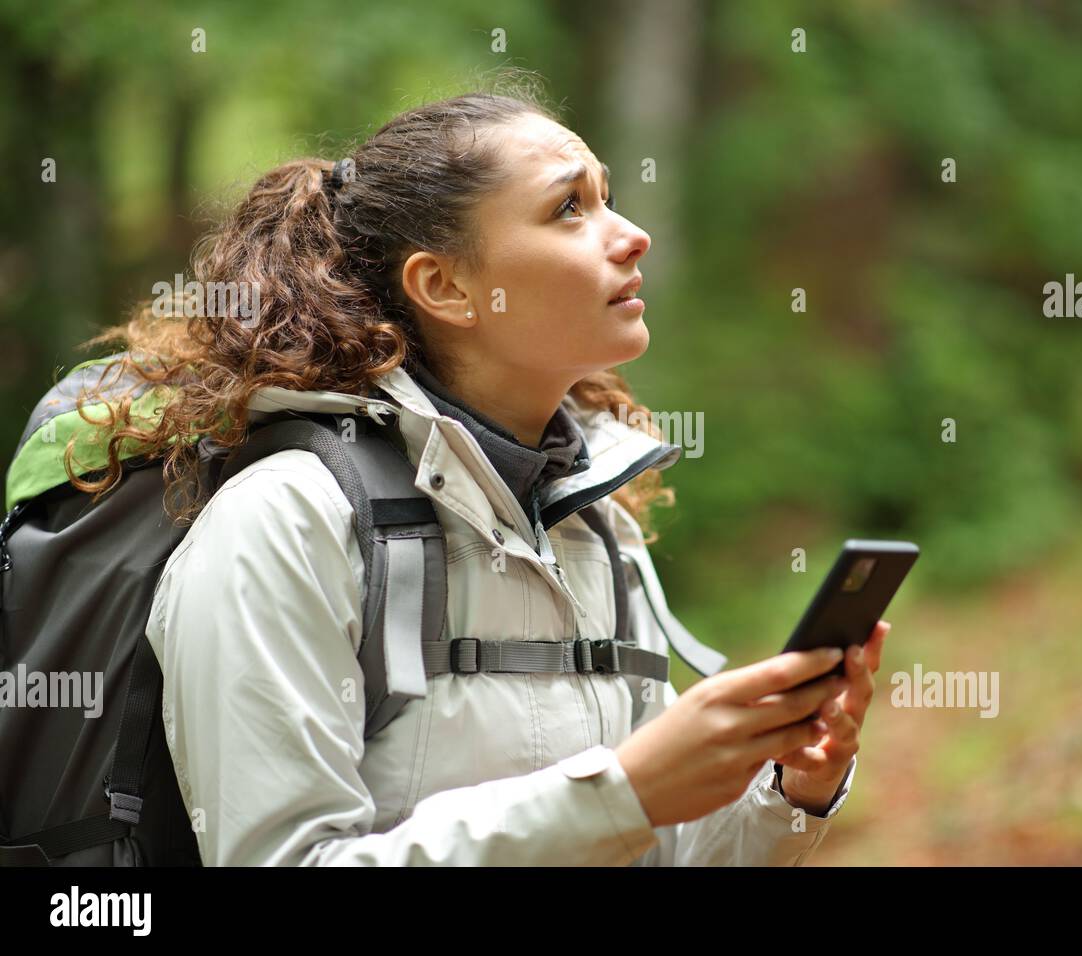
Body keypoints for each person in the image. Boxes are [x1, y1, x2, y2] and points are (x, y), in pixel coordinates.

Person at [72, 79, 889, 866]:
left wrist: (791, 792)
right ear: (445, 286)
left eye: (607, 197)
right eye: (570, 207)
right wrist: (622, 794)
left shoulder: (594, 524)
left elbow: (654, 847)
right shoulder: (287, 522)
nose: (632, 233)